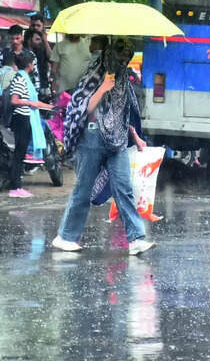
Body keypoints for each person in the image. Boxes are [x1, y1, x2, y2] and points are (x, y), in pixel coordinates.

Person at [53, 38, 157, 255]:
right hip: (91, 139)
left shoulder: (123, 78)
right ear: (109, 56)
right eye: (119, 58)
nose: (122, 63)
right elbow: (81, 109)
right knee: (83, 190)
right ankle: (65, 237)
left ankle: (136, 239)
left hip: (117, 141)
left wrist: (135, 136)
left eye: (126, 59)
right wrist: (102, 89)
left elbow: (122, 113)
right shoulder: (91, 75)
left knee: (124, 188)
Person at [7, 53, 53, 198]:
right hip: (21, 118)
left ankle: (17, 186)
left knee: (20, 153)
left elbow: (34, 102)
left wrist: (50, 107)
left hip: (25, 117)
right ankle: (15, 187)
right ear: (29, 64)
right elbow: (14, 100)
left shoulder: (25, 79)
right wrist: (29, 103)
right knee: (19, 153)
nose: (34, 65)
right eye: (33, 62)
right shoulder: (20, 79)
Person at [0, 25, 40, 91]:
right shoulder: (3, 54)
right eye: (12, 39)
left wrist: (36, 92)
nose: (15, 41)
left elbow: (36, 76)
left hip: (27, 90)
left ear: (22, 37)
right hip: (8, 90)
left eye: (17, 38)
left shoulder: (30, 55)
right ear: (9, 38)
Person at [25, 28, 53, 98]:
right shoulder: (23, 55)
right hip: (30, 90)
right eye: (37, 39)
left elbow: (52, 58)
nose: (40, 42)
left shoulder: (40, 51)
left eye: (40, 39)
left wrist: (45, 41)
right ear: (29, 40)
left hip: (43, 87)